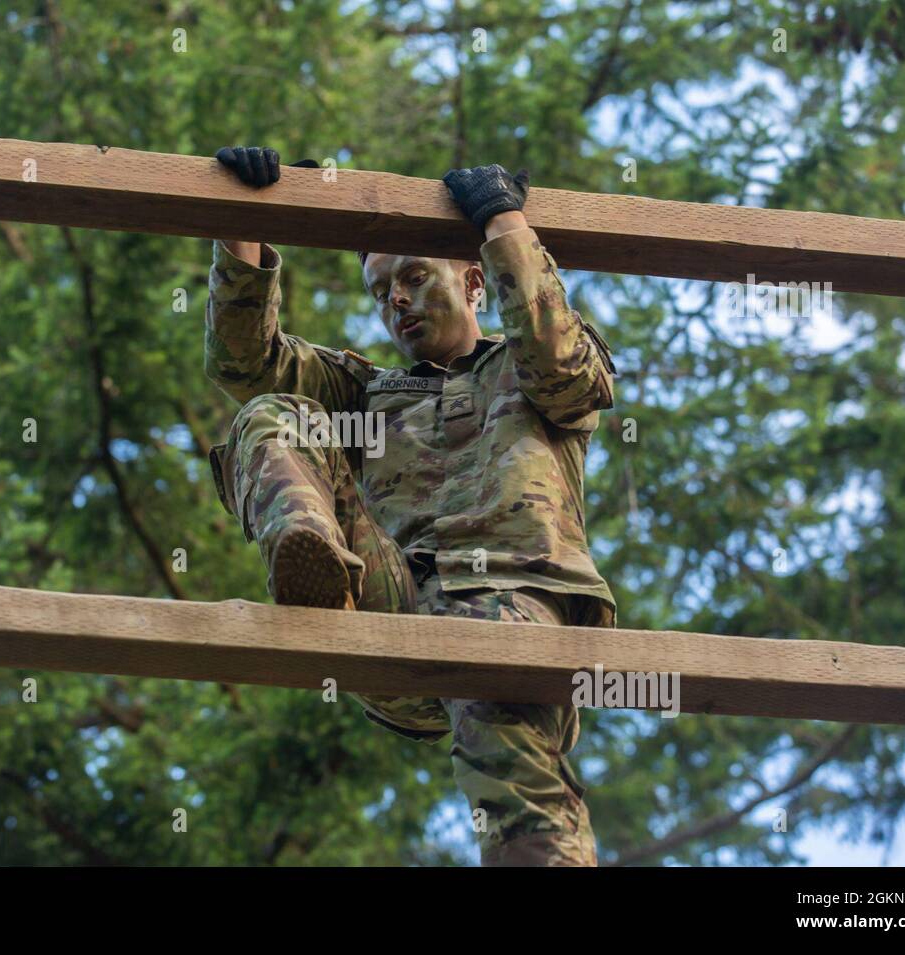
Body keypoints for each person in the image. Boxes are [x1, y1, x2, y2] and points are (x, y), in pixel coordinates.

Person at [205, 146, 617, 866]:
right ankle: (312, 567)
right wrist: (248, 221)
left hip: (510, 602)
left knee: (505, 751)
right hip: (390, 602)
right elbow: (248, 365)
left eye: (414, 277)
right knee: (274, 412)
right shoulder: (368, 392)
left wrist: (503, 222)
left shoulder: (530, 375)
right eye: (379, 290)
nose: (395, 300)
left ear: (474, 283)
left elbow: (558, 362)